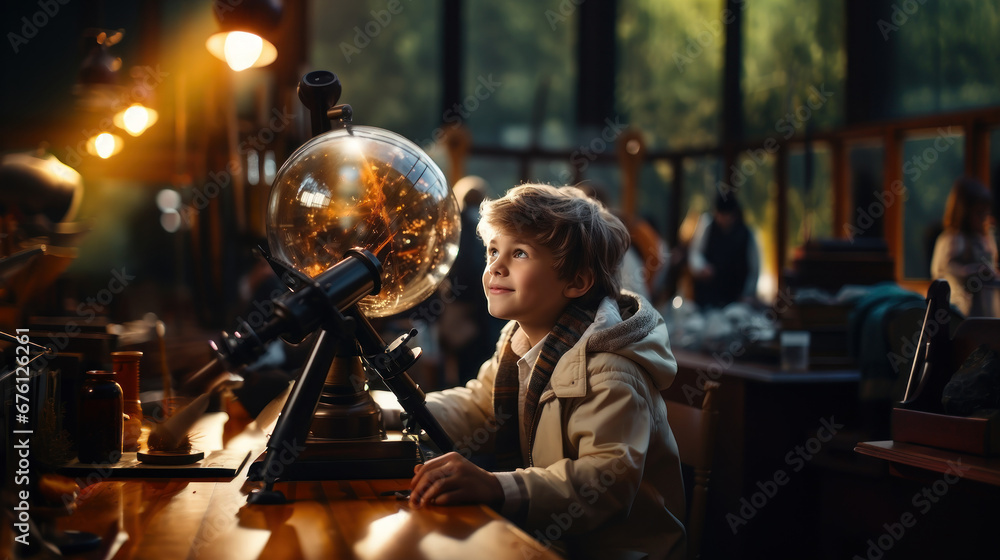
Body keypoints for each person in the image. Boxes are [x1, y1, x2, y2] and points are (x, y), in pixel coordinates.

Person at [409, 184, 686, 559]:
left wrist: (496, 486)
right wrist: (397, 411)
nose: (495, 266)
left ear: (577, 281)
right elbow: (480, 407)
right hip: (552, 540)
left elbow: (604, 484)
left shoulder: (611, 370)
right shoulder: (519, 339)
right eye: (493, 251)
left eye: (519, 253)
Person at [930, 176, 999, 317]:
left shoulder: (985, 238)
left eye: (986, 212)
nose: (984, 218)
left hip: (989, 311)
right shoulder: (953, 239)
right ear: (964, 212)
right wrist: (972, 272)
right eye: (979, 213)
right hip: (963, 314)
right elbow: (944, 270)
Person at [688, 191, 760, 309]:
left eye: (726, 216)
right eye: (720, 215)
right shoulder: (707, 227)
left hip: (736, 298)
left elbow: (754, 269)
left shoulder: (747, 234)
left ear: (733, 215)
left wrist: (748, 293)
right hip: (708, 298)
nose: (723, 220)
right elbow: (695, 253)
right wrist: (702, 267)